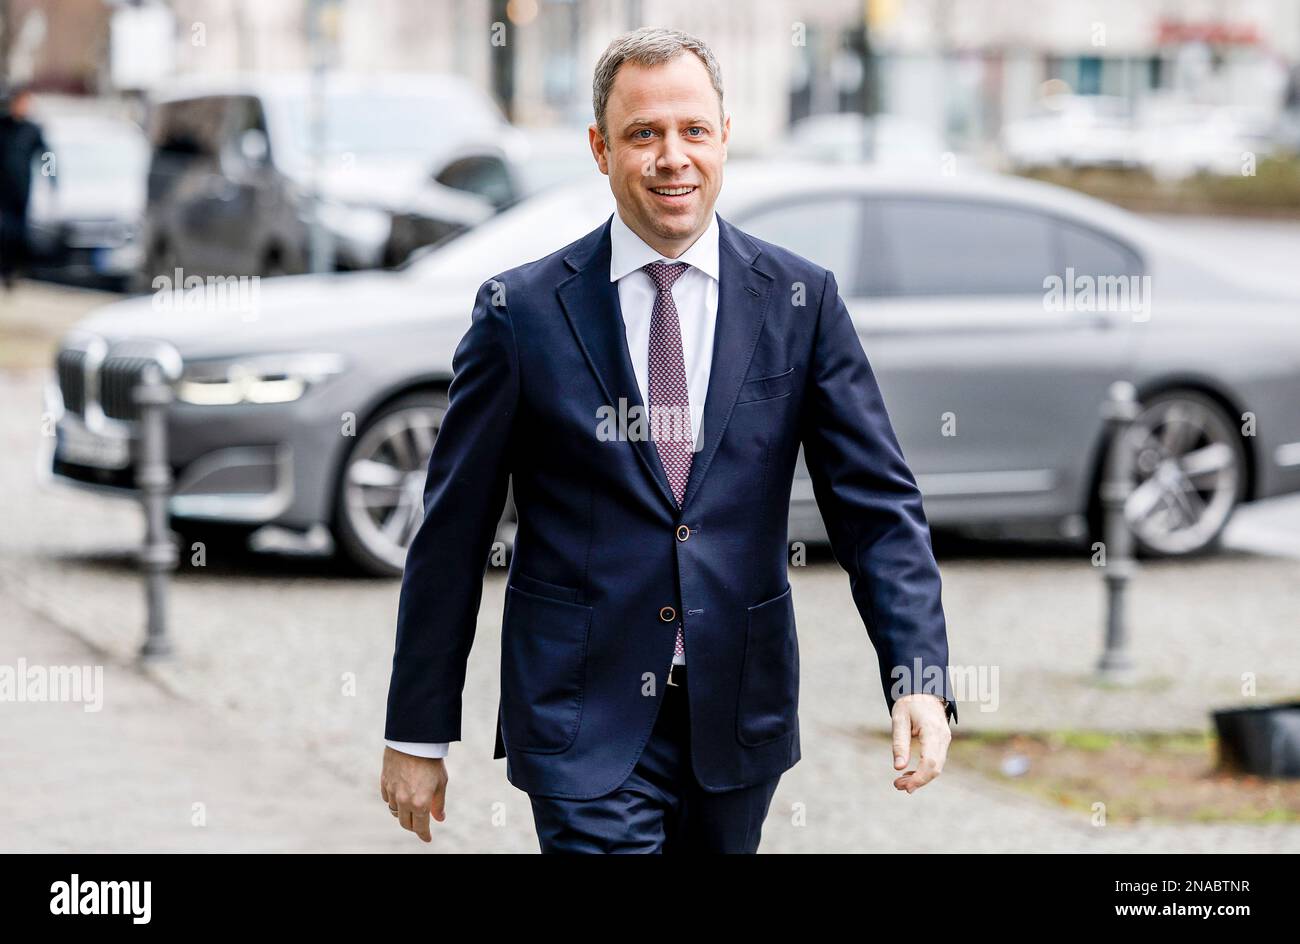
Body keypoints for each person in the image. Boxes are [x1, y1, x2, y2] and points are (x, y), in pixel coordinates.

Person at [380, 26, 957, 853]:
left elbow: (876, 506)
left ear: (724, 135)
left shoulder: (801, 300)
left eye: (692, 130)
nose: (671, 157)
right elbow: (452, 531)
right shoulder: (523, 314)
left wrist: (918, 678)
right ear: (599, 148)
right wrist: (417, 730)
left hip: (738, 715)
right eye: (642, 134)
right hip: (580, 716)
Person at [0, 86, 49, 291]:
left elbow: (46, 156)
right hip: (3, 192)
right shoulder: (3, 127)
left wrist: (51, 180)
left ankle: (14, 272)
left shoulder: (32, 130)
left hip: (22, 191)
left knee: (19, 235)